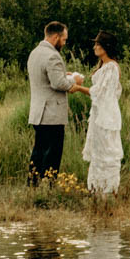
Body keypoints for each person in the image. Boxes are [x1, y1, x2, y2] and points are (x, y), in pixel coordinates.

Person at [27, 21, 82, 185]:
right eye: (64, 40)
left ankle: (33, 183)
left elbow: (44, 76)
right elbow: (57, 83)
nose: (64, 43)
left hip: (38, 112)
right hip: (51, 113)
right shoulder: (52, 55)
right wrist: (74, 82)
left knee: (38, 151)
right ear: (56, 37)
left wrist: (64, 74)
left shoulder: (35, 53)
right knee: (53, 153)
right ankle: (48, 186)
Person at [72, 30, 123, 196]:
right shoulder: (103, 66)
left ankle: (108, 189)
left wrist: (79, 88)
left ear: (105, 47)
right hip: (99, 114)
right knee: (98, 151)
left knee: (107, 151)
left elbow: (101, 92)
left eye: (98, 44)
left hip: (106, 116)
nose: (94, 47)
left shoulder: (111, 67)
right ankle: (96, 189)